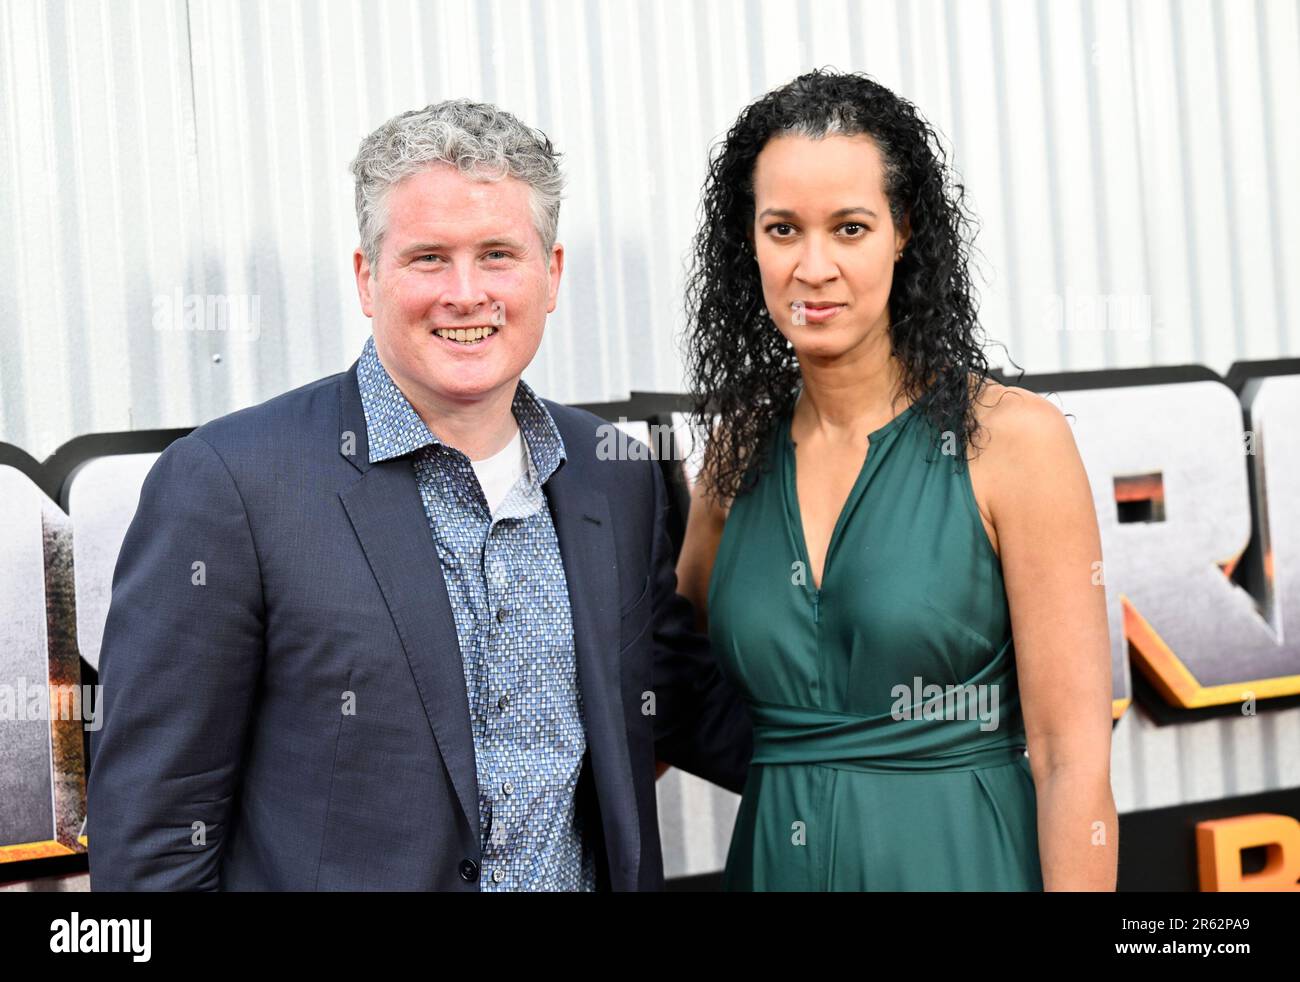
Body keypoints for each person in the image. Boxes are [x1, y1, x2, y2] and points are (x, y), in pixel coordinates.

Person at [86, 99, 751, 891]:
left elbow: (671, 700)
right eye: (428, 257)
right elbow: (155, 840)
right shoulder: (230, 485)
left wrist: (907, 759)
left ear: (552, 274)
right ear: (368, 278)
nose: (465, 293)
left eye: (499, 253)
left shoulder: (613, 474)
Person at [676, 69, 1117, 890]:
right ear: (750, 241)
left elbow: (1071, 762)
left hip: (960, 861)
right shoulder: (738, 449)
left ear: (903, 229)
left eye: (849, 227)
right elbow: (664, 687)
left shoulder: (1013, 441)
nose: (814, 267)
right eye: (782, 229)